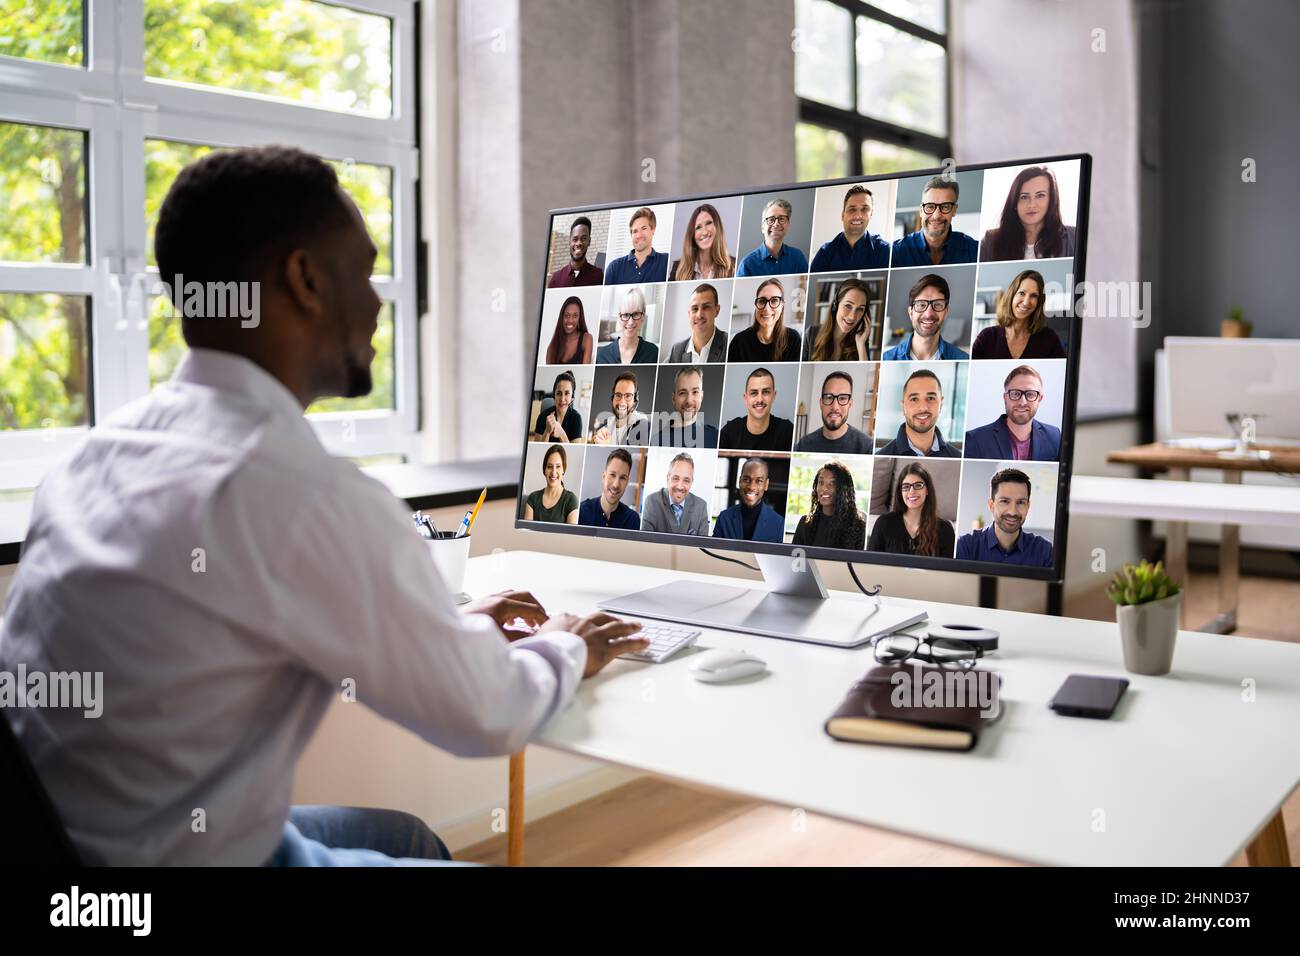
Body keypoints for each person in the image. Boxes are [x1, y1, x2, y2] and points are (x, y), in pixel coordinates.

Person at [0, 145, 650, 867]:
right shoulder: (303, 493)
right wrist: (568, 641)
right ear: (305, 278)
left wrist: (443, 631)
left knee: (407, 838)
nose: (378, 301)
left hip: (87, 850)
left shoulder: (91, 458)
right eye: (365, 271)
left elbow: (213, 639)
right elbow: (488, 713)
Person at [955, 467, 1053, 567]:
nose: (1012, 512)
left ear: (1028, 506)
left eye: (1020, 502)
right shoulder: (966, 546)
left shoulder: (1044, 550)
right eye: (1005, 501)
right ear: (991, 505)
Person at [963, 365, 1061, 461]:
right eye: (1015, 394)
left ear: (1040, 399)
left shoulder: (1055, 437)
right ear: (1005, 398)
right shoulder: (974, 440)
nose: (1022, 402)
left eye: (1030, 394)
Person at [979, 166, 1076, 261]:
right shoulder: (990, 242)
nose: (1032, 205)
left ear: (1051, 200)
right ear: (1014, 202)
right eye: (1024, 197)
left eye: (1040, 195)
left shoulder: (1074, 237)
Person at [970, 269, 1067, 359]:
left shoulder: (1049, 338)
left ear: (1039, 302)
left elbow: (1064, 372)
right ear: (1011, 295)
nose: (1026, 302)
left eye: (1033, 296)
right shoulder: (987, 337)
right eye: (1022, 293)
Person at [867, 461, 955, 557]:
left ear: (927, 490)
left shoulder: (945, 529)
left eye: (918, 485)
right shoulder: (884, 523)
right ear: (900, 492)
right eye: (906, 486)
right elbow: (871, 565)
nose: (912, 491)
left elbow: (947, 570)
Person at [890, 176, 978, 267]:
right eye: (930, 206)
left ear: (954, 210)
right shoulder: (896, 252)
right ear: (921, 211)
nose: (936, 216)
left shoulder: (973, 251)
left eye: (945, 207)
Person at [881, 273, 970, 361]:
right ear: (910, 312)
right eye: (921, 305)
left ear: (946, 311)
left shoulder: (963, 359)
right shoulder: (886, 359)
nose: (928, 314)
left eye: (937, 304)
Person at [877, 368, 961, 457]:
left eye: (930, 398)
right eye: (914, 399)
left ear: (941, 404)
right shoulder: (881, 456)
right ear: (903, 406)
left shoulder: (957, 457)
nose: (923, 407)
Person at [810, 185, 890, 272]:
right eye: (852, 209)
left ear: (871, 214)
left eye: (864, 209)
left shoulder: (884, 251)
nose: (858, 216)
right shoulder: (825, 253)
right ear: (842, 215)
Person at [790, 460, 866, 549]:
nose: (824, 488)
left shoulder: (857, 526)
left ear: (843, 489)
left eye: (832, 483)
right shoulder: (805, 523)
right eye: (821, 482)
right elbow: (794, 559)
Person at [718, 367, 794, 451]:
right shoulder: (729, 432)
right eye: (754, 393)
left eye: (766, 392)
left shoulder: (787, 431)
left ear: (773, 396)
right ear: (745, 398)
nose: (760, 400)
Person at [795, 370, 872, 453]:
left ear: (850, 404)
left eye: (842, 398)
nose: (835, 407)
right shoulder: (803, 445)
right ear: (821, 403)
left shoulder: (866, 447)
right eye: (829, 397)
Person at [727, 277, 802, 362]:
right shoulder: (739, 342)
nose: (766, 308)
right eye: (762, 301)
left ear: (782, 306)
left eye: (774, 301)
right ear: (756, 305)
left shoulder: (794, 339)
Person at [711, 457, 784, 542]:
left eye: (759, 481)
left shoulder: (778, 523)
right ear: (740, 481)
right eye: (746, 479)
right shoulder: (724, 518)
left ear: (766, 484)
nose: (751, 487)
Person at [640, 452, 710, 535]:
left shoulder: (701, 506)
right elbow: (646, 541)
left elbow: (702, 546)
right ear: (667, 478)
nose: (680, 487)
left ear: (691, 482)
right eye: (675, 478)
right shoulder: (652, 501)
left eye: (686, 480)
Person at [804, 278, 872, 362]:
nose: (852, 317)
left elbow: (864, 372)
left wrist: (861, 345)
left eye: (860, 309)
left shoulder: (861, 340)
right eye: (848, 306)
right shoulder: (811, 334)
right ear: (835, 305)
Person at [737, 198, 809, 276]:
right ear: (762, 227)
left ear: (788, 225)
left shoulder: (797, 257)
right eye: (771, 219)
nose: (776, 224)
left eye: (781, 219)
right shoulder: (747, 264)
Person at [654, 365, 718, 448]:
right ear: (674, 399)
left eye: (695, 392)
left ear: (701, 396)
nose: (689, 401)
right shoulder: (657, 441)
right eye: (682, 393)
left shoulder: (716, 437)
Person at [578, 447, 641, 529]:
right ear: (604, 476)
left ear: (627, 482)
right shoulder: (581, 512)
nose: (616, 485)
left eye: (622, 478)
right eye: (612, 475)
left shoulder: (632, 520)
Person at [666, 283, 729, 363]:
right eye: (695, 309)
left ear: (717, 310)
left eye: (706, 307)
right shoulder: (676, 350)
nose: (699, 315)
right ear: (689, 314)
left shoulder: (729, 344)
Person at [603, 206, 667, 284]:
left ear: (653, 229)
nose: (638, 235)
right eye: (635, 231)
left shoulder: (666, 262)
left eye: (644, 228)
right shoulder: (614, 268)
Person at [595, 286, 659, 364]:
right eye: (625, 315)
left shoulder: (653, 353)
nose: (631, 322)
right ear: (619, 317)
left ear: (643, 317)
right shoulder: (601, 355)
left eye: (636, 314)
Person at [672, 203, 734, 280]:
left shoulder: (733, 265)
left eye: (708, 223)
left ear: (717, 226)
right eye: (698, 227)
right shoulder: (678, 267)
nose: (704, 232)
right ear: (692, 234)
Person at [589, 370, 651, 445]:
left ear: (635, 400)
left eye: (628, 396)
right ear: (613, 398)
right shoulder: (606, 425)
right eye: (618, 395)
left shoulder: (643, 424)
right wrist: (595, 441)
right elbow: (594, 441)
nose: (622, 402)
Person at [522, 444, 579, 523]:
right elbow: (526, 532)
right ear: (544, 470)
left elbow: (570, 535)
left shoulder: (571, 500)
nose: (553, 472)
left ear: (563, 470)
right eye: (549, 466)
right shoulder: (533, 498)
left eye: (558, 466)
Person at [547, 215, 603, 287]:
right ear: (569, 242)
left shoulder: (598, 276)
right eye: (575, 239)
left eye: (583, 239)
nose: (578, 243)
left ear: (589, 241)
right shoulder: (556, 278)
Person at [530, 369, 584, 443]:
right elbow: (537, 449)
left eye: (567, 393)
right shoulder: (543, 416)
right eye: (558, 393)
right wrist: (547, 432)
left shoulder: (576, 418)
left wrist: (562, 434)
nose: (562, 399)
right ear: (554, 396)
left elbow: (574, 453)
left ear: (572, 397)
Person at [542, 294, 594, 365]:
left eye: (575, 316)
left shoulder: (587, 339)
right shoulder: (552, 348)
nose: (570, 320)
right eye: (567, 316)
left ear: (579, 318)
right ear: (562, 317)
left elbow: (586, 369)